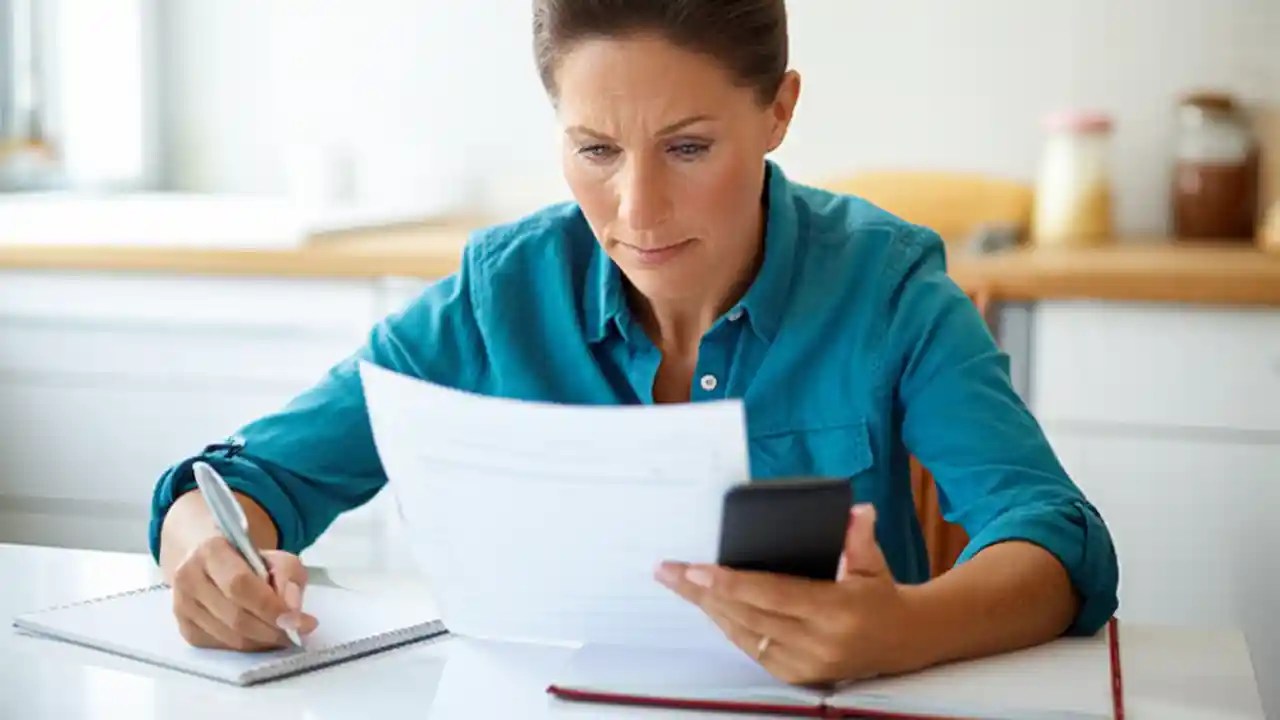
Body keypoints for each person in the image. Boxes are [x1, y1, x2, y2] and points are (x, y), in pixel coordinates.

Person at [149, 0, 1118, 685]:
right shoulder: (503, 293)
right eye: (595, 150)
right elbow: (237, 484)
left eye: (688, 148)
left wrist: (901, 628)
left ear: (778, 110)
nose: (636, 211)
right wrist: (206, 558)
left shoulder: (887, 286)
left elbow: (1056, 541)